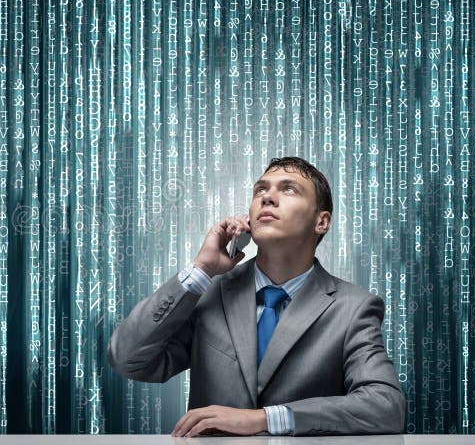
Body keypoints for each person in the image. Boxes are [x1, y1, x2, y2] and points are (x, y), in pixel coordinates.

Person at [107, 156, 406, 437]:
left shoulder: (353, 307)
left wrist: (266, 418)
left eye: (289, 189)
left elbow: (385, 407)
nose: (267, 196)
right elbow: (128, 360)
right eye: (260, 189)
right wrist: (202, 269)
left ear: (322, 222)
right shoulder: (207, 292)